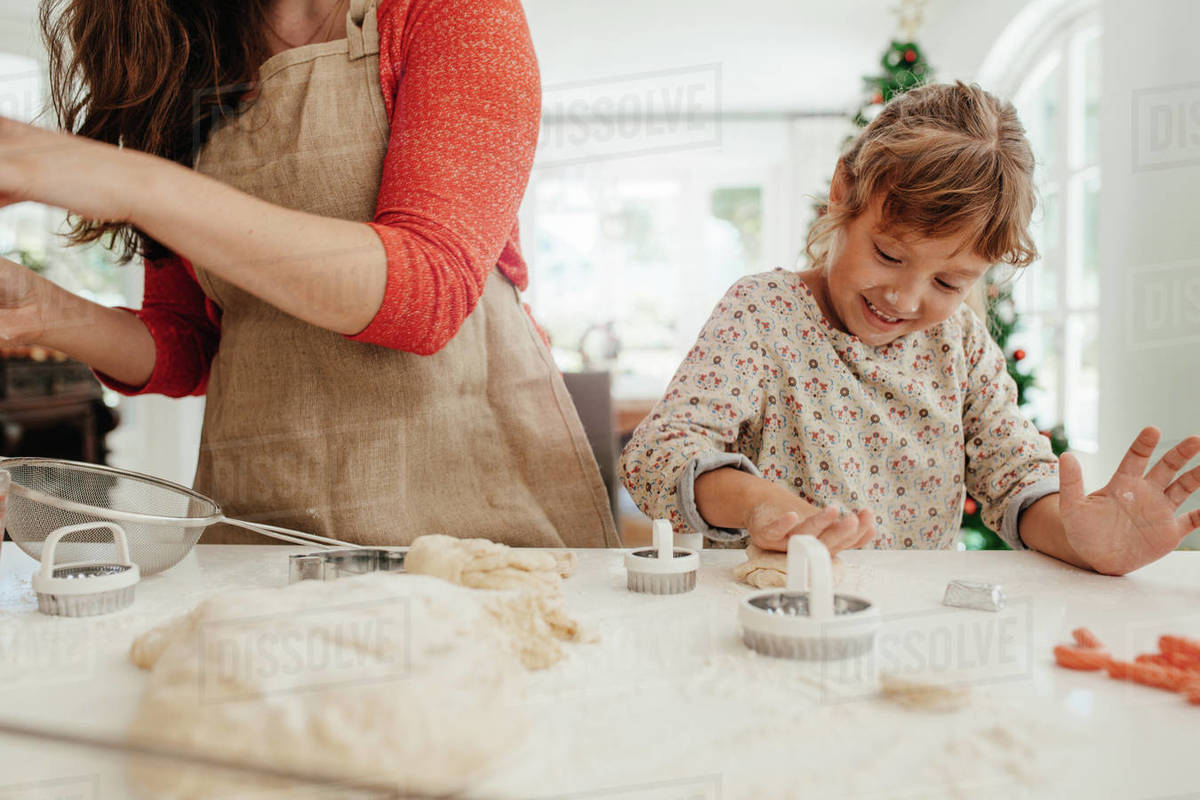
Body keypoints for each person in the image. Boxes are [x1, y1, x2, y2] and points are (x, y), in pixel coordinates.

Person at [0, 0, 619, 547]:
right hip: (264, 523)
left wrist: (131, 183)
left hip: (474, 519)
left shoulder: (449, 10)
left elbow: (425, 291)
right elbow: (193, 344)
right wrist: (48, 313)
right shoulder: (180, 62)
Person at [620, 82, 1199, 576]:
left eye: (949, 284)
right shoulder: (765, 312)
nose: (904, 298)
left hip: (914, 625)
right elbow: (656, 454)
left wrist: (1082, 541)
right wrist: (759, 506)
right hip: (772, 608)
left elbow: (1015, 475)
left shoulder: (962, 345)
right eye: (889, 255)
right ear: (844, 193)